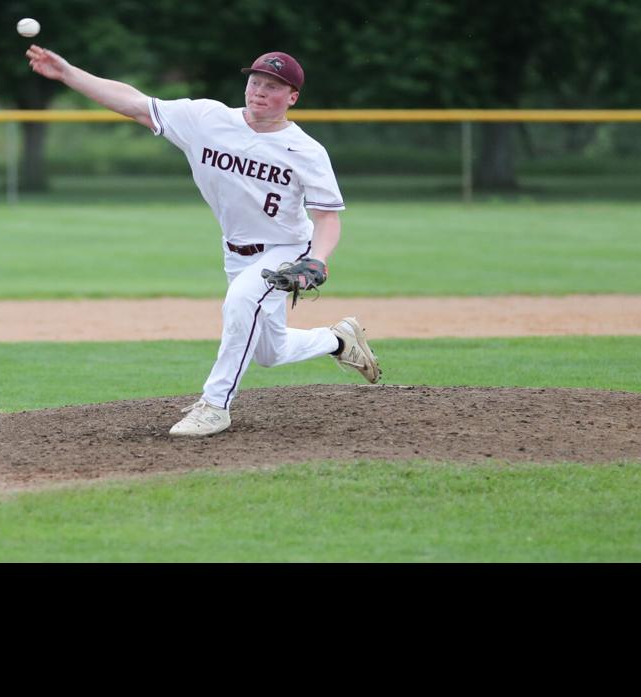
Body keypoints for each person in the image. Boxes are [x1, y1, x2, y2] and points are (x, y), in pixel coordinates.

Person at [26, 46, 381, 437]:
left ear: (292, 97)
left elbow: (327, 218)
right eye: (256, 82)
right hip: (236, 252)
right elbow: (135, 104)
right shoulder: (207, 120)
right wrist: (68, 73)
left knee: (241, 303)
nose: (260, 91)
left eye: (273, 86)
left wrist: (317, 259)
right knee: (269, 351)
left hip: (287, 250)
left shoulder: (307, 151)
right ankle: (337, 340)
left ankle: (215, 406)